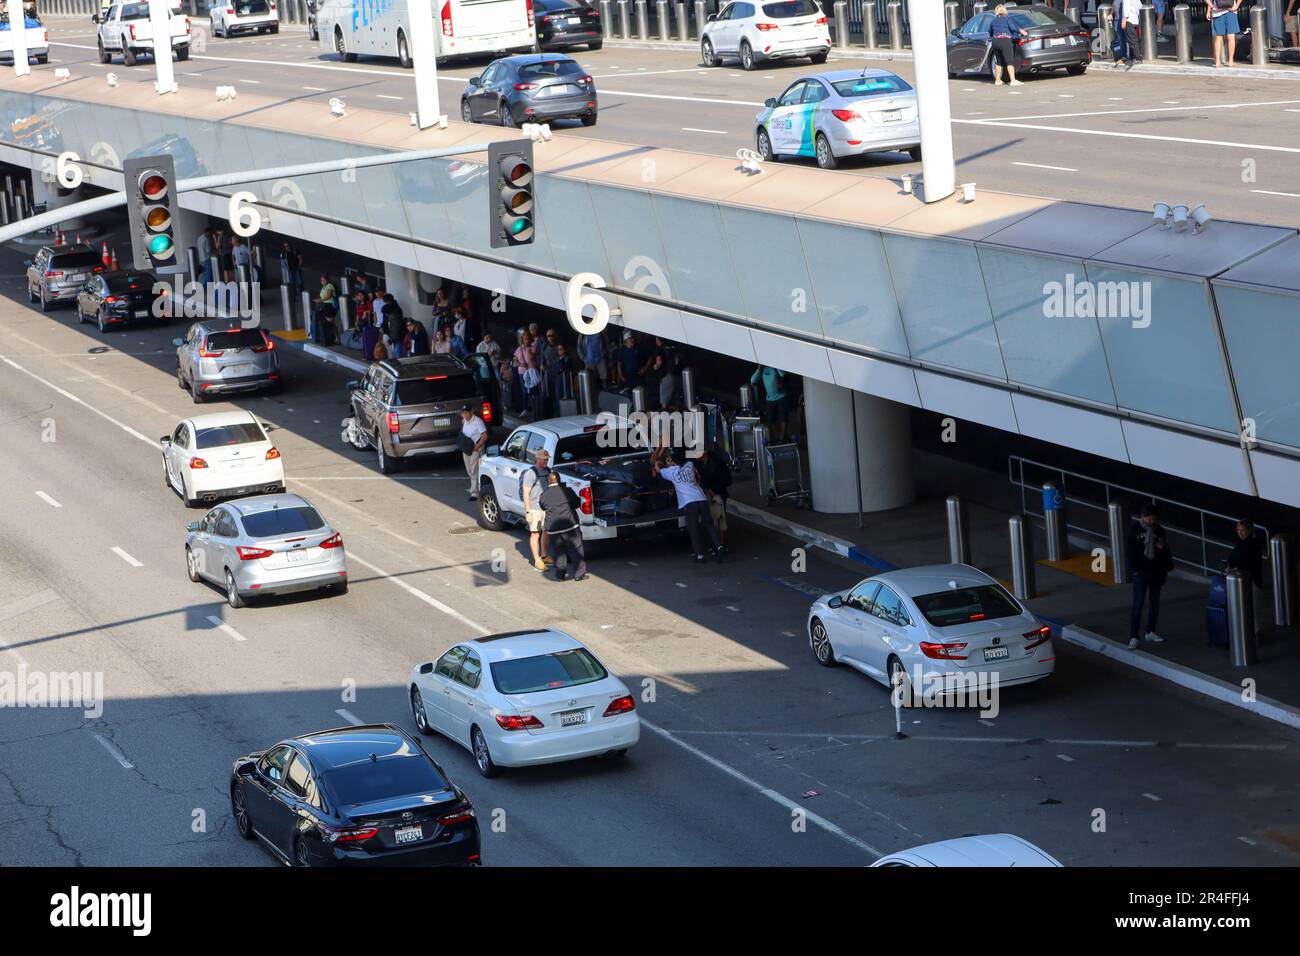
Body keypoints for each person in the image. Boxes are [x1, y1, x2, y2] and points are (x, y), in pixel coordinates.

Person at [653, 443, 724, 564]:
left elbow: (658, 470)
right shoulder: (690, 466)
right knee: (709, 524)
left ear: (674, 461)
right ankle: (719, 546)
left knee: (693, 528)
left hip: (689, 503)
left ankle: (699, 555)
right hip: (701, 498)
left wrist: (657, 462)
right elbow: (687, 463)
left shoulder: (671, 472)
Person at [1126, 503, 1173, 649]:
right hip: (1141, 572)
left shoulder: (1159, 530)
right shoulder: (1134, 530)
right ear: (1143, 517)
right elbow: (1130, 551)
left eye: (1153, 519)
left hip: (1156, 571)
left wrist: (1166, 562)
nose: (1151, 522)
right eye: (1149, 519)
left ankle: (1150, 631)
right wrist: (1135, 570)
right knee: (1138, 604)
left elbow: (1165, 549)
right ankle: (1134, 635)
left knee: (1154, 603)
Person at [539, 471, 587, 582]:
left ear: (548, 481)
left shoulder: (543, 496)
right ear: (559, 480)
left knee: (558, 552)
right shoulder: (567, 491)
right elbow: (576, 503)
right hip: (570, 526)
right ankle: (579, 573)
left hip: (554, 529)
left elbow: (543, 507)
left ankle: (560, 575)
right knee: (576, 549)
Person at [1225, 519, 1266, 638]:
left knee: (1251, 612)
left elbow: (1249, 564)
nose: (1240, 532)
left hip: (1250, 582)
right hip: (1243, 582)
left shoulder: (1251, 544)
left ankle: (1254, 636)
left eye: (1242, 530)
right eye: (1238, 530)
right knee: (1246, 611)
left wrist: (1232, 568)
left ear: (1249, 530)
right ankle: (1249, 636)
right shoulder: (1242, 544)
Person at [520, 448, 553, 572]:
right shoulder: (531, 473)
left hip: (546, 508)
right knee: (535, 534)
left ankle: (544, 556)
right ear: (537, 459)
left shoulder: (548, 471)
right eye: (543, 460)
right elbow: (526, 493)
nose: (545, 462)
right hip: (534, 509)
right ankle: (537, 560)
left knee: (546, 532)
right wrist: (528, 512)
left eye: (547, 460)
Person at [696, 445, 732, 547]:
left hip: (717, 494)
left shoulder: (715, 463)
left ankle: (720, 544)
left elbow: (725, 479)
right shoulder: (703, 463)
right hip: (713, 493)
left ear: (704, 453)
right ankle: (718, 544)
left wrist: (714, 490)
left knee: (719, 519)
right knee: (714, 519)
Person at [988, 5, 1025, 85]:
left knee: (999, 61)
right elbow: (1013, 28)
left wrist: (995, 37)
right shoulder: (1008, 19)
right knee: (1010, 61)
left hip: (995, 41)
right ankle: (1013, 80)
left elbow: (990, 31)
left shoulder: (993, 21)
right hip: (1005, 40)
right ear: (1005, 11)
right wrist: (1021, 31)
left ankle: (997, 80)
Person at [750, 365, 789, 441]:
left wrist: (776, 366)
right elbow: (752, 380)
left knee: (783, 418)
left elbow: (783, 374)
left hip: (780, 397)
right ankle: (777, 436)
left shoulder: (774, 367)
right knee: (771, 420)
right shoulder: (763, 370)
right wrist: (759, 369)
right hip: (769, 399)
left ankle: (782, 436)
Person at [459, 407, 488, 502]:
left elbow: (485, 436)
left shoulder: (478, 421)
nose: (465, 415)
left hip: (475, 449)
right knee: (469, 470)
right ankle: (479, 488)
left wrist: (477, 447)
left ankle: (474, 493)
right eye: (463, 413)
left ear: (471, 412)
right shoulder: (464, 421)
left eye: (466, 413)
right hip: (466, 448)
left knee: (474, 469)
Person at [1208, 0, 1242, 68]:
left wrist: (1211, 7)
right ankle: (1230, 61)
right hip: (1230, 11)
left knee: (1219, 37)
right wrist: (1237, 5)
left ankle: (1218, 61)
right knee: (1230, 36)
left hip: (1219, 12)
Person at [312, 274, 338, 346]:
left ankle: (336, 337)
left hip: (330, 305)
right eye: (321, 280)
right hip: (325, 306)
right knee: (328, 322)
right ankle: (332, 337)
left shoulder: (329, 286)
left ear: (327, 280)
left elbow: (329, 296)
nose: (322, 282)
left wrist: (320, 300)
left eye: (323, 280)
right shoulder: (324, 287)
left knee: (331, 322)